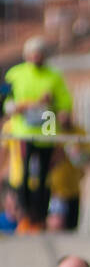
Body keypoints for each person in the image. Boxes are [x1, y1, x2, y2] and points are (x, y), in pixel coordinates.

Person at [3, 37, 73, 230]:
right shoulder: (15, 74)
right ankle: (25, 213)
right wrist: (29, 104)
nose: (36, 58)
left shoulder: (54, 76)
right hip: (24, 131)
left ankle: (41, 214)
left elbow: (65, 102)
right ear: (26, 56)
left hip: (47, 130)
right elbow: (6, 103)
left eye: (39, 54)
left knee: (44, 176)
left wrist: (60, 109)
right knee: (25, 173)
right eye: (33, 54)